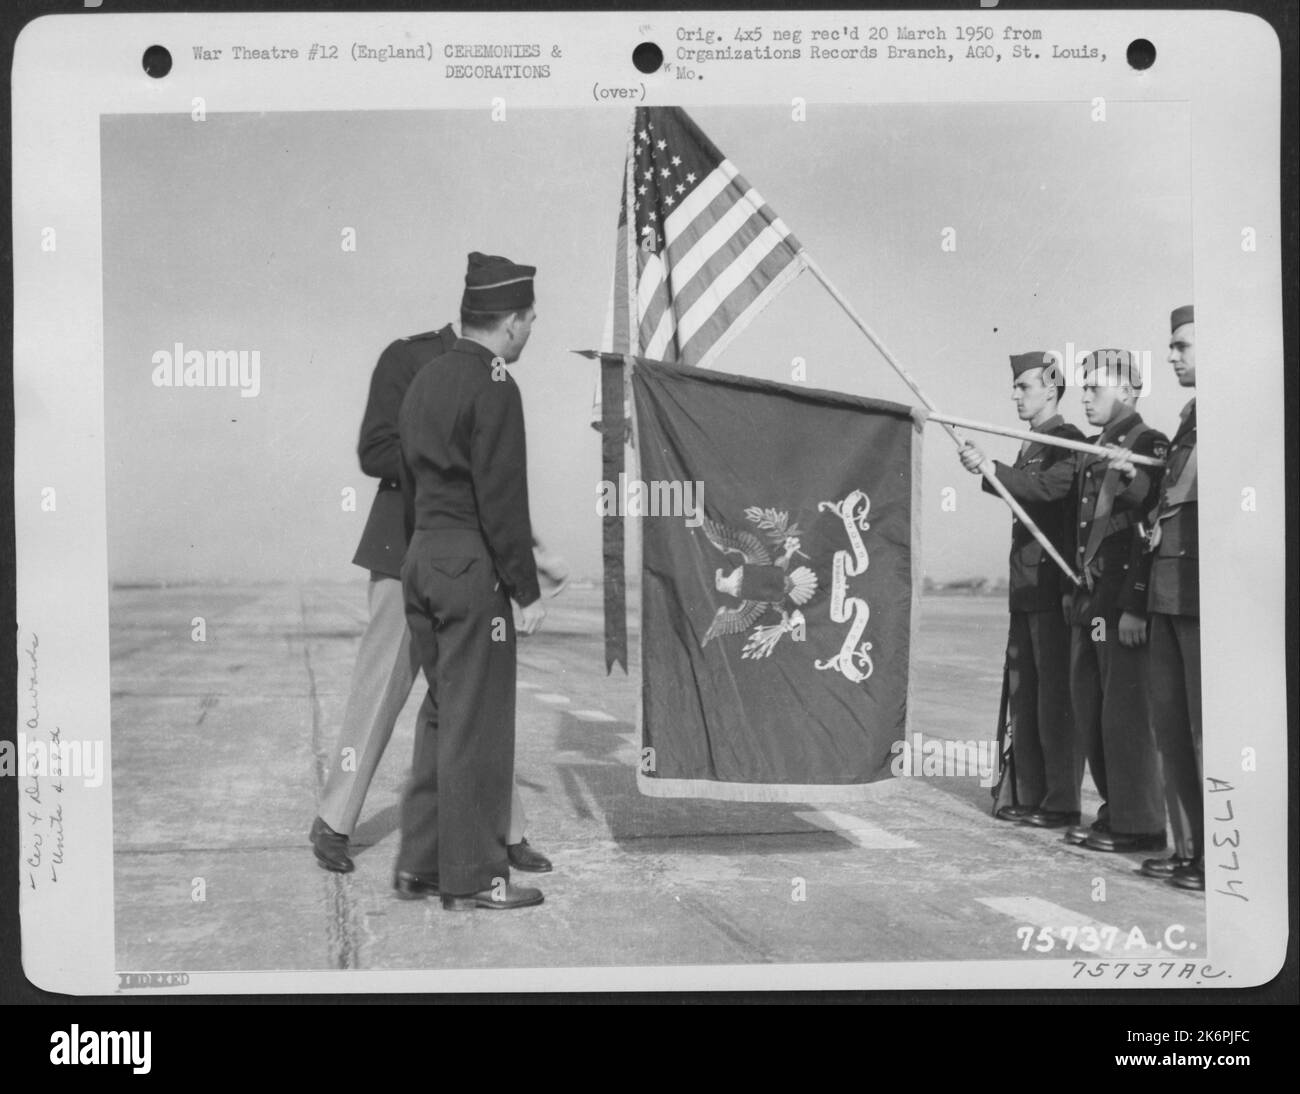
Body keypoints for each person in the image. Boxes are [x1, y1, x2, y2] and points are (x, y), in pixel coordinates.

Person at [308, 322, 559, 876]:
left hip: (473, 559)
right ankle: (334, 821)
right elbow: (374, 450)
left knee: (481, 701)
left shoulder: (492, 378)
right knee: (378, 695)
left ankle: (505, 830)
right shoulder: (408, 357)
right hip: (402, 550)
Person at [394, 252, 547, 911]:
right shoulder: (496, 384)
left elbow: (408, 482)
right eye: (531, 317)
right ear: (510, 322)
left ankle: (421, 865)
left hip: (423, 556)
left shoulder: (425, 378)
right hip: (468, 565)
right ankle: (476, 876)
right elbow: (502, 498)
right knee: (478, 723)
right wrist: (525, 588)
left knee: (441, 714)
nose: (532, 328)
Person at [959, 351, 1084, 828]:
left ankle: (1061, 801)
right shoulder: (1033, 443)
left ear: (1050, 390)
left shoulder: (1067, 441)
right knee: (1024, 693)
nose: (1015, 394)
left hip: (1052, 591)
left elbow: (1050, 490)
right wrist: (988, 469)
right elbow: (1025, 485)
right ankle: (1029, 793)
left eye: (1024, 386)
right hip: (1026, 590)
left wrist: (991, 468)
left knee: (1054, 698)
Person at [1063, 349, 1168, 854]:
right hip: (1093, 603)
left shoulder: (1147, 441)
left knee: (1125, 710)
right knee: (1093, 704)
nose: (1086, 396)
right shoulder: (1096, 445)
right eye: (1083, 389)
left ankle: (1141, 822)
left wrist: (1134, 606)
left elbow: (1153, 511)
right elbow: (1083, 529)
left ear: (1126, 391)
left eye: (1095, 388)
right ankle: (1114, 810)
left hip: (1121, 600)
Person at [1136, 306, 1202, 890]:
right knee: (1172, 726)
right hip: (1168, 592)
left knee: (1208, 731)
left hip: (1204, 597)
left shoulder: (1239, 415)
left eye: (1182, 345)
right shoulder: (1189, 419)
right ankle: (1188, 850)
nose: (1172, 355)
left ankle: (1219, 855)